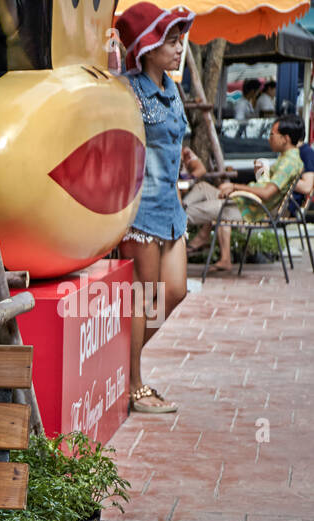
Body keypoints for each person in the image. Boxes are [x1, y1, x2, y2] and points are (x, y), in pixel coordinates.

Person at [115, 3, 193, 415]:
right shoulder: (127, 90)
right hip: (141, 208)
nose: (180, 48)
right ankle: (134, 385)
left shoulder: (173, 89)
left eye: (181, 41)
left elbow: (175, 145)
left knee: (175, 291)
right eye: (172, 41)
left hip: (171, 207)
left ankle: (116, 367)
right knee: (144, 301)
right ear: (148, 46)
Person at [185, 115, 306, 270]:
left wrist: (235, 187)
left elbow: (267, 193)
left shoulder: (288, 163)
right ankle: (181, 208)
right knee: (202, 187)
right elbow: (266, 184)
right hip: (245, 203)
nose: (269, 139)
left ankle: (178, 223)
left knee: (189, 213)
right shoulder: (286, 158)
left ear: (285, 138)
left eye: (272, 135)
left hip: (250, 209)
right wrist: (262, 172)